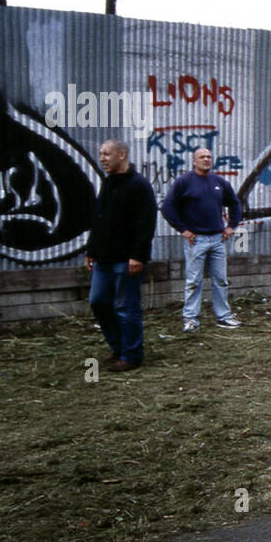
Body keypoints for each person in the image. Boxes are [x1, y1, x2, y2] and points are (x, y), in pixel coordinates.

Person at [86, 139, 157, 373]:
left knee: (127, 308)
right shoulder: (108, 183)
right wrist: (91, 250)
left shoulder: (139, 186)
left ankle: (131, 356)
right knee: (98, 301)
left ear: (122, 154)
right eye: (101, 154)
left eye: (107, 154)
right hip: (103, 259)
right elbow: (99, 219)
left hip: (126, 259)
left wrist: (138, 255)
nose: (103, 158)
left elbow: (145, 224)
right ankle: (119, 347)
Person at [160, 148, 244, 331]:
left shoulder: (219, 182)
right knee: (193, 282)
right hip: (195, 241)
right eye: (202, 157)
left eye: (209, 157)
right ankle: (190, 320)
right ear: (194, 161)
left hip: (217, 239)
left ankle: (223, 316)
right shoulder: (184, 182)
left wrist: (231, 227)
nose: (206, 160)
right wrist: (183, 229)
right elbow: (167, 207)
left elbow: (235, 204)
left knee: (221, 280)